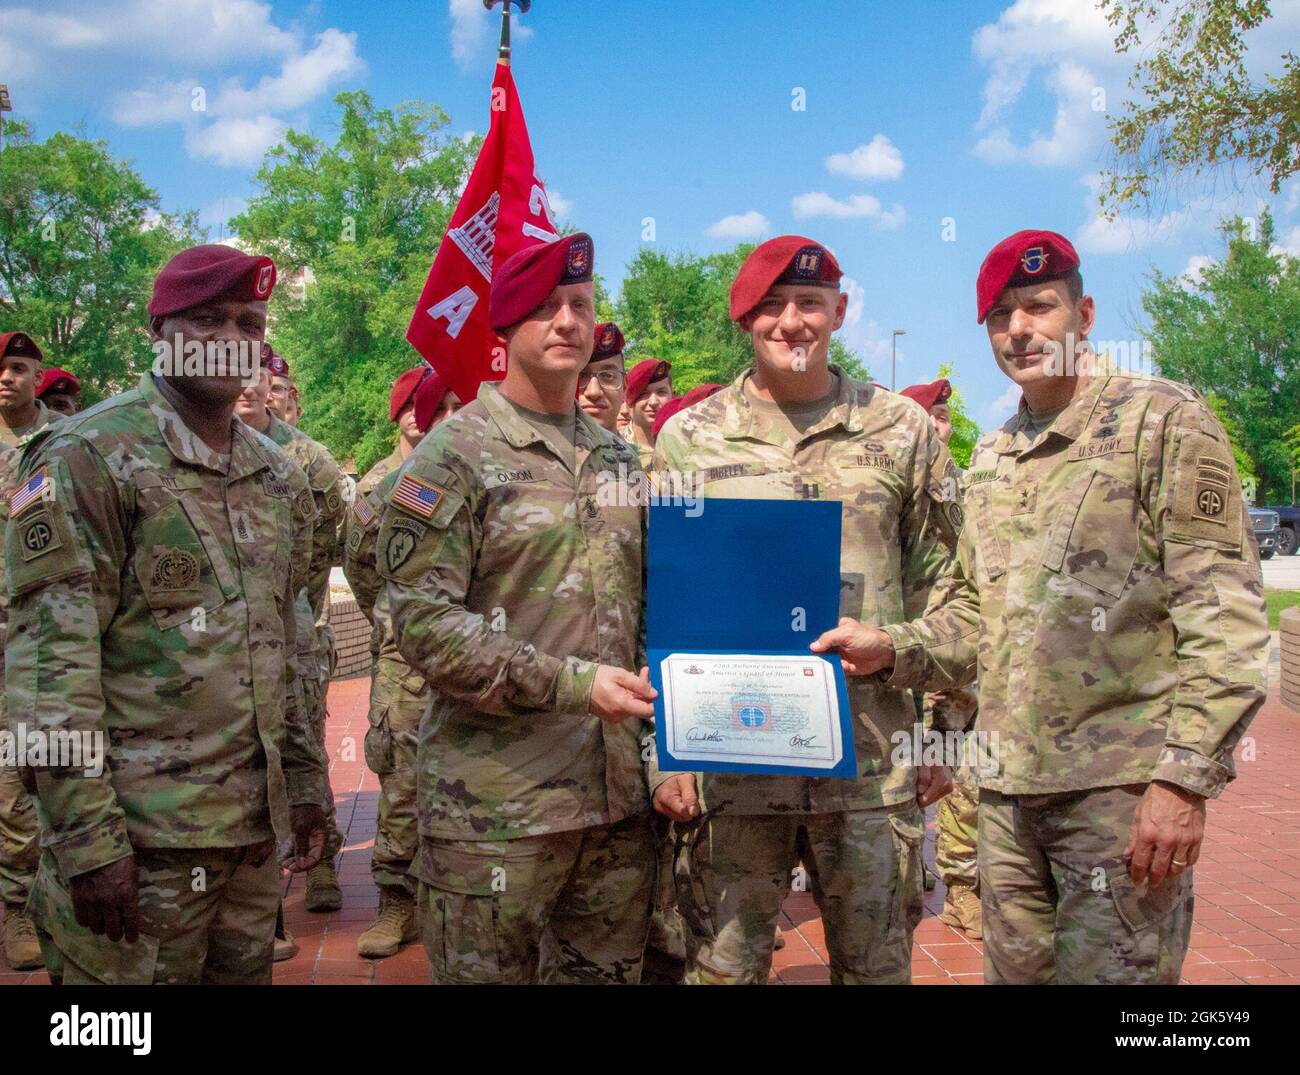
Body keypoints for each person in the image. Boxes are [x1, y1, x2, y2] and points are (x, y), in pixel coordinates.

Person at [812, 229, 1270, 985]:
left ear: (1084, 314)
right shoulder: (994, 456)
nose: (1019, 329)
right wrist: (891, 647)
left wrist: (1185, 781)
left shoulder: (1161, 422)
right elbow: (971, 619)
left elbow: (1225, 620)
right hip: (1006, 798)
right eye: (1001, 316)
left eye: (1039, 306)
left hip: (1118, 802)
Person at [4, 245, 329, 983]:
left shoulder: (275, 473)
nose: (231, 339)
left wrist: (306, 783)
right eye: (207, 319)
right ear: (162, 331)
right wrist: (87, 841)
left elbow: (289, 643)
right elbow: (48, 669)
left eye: (249, 323)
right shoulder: (86, 454)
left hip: (248, 844)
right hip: (134, 852)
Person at [651, 235, 958, 985]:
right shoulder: (687, 441)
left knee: (875, 970)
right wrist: (663, 751)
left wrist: (940, 717)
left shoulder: (901, 432)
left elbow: (956, 588)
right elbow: (656, 605)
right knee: (722, 973)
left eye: (810, 303)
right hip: (731, 769)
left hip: (871, 767)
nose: (792, 321)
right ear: (746, 320)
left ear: (841, 311)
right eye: (772, 306)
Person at [378, 233, 659, 984]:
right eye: (545, 309)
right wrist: (574, 684)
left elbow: (658, 607)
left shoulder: (621, 459)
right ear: (504, 331)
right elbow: (424, 626)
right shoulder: (451, 455)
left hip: (616, 807)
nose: (568, 321)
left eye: (580, 305)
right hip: (496, 812)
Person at [343, 367, 459, 959]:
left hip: (472, 654)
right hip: (405, 662)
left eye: (435, 405)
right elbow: (363, 572)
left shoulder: (472, 471)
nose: (425, 415)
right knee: (403, 782)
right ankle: (396, 900)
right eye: (413, 406)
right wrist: (396, 625)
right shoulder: (379, 487)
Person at [236, 345, 348, 915]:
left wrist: (291, 605)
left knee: (303, 745)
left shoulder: (307, 459)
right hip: (228, 638)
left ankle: (323, 861)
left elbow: (326, 542)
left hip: (295, 628)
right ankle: (258, 894)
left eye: (260, 375)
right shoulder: (205, 448)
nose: (250, 386)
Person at [899, 376, 981, 938]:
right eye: (926, 414)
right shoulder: (898, 485)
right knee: (911, 772)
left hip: (967, 658)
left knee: (961, 772)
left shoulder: (975, 486)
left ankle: (963, 886)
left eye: (944, 415)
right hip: (908, 655)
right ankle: (914, 870)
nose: (937, 424)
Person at [0, 331, 61, 970]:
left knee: (50, 763)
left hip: (48, 631)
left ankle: (49, 896)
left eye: (19, 367)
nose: (7, 377)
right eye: (0, 368)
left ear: (36, 375)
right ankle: (18, 902)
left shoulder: (64, 442)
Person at [578, 322, 628, 433]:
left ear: (624, 387)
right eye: (582, 375)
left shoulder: (633, 450)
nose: (594, 392)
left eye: (608, 376)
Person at [624, 358, 672, 467]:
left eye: (661, 392)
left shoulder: (684, 446)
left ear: (672, 395)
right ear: (630, 401)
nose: (653, 402)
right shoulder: (614, 447)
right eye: (643, 394)